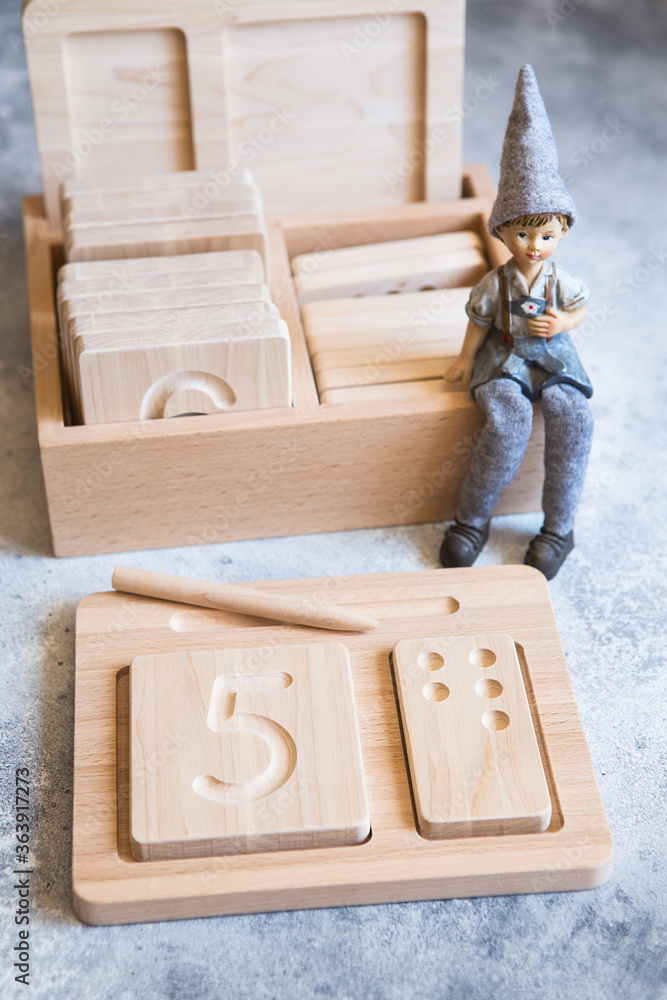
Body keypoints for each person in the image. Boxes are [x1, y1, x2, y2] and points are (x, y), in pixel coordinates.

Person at [440, 65, 593, 580]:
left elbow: (582, 308)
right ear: (503, 232)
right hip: (504, 354)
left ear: (563, 231)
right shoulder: (496, 282)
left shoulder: (562, 281)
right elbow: (479, 322)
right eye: (523, 234)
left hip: (553, 355)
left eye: (546, 235)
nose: (534, 246)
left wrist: (565, 323)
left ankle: (558, 529)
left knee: (571, 411)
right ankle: (471, 520)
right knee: (508, 420)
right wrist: (465, 360)